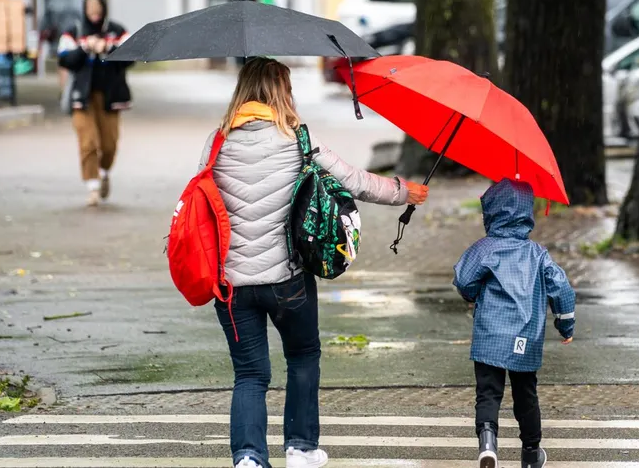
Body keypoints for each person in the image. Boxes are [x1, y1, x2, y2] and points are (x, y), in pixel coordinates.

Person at [200, 57, 429, 468]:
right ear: (280, 93)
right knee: (303, 355)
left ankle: (249, 458)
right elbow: (355, 181)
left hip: (231, 284)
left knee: (250, 375)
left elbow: (202, 202)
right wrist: (403, 192)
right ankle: (301, 448)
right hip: (287, 280)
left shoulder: (216, 143)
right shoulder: (299, 140)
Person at [453, 179, 576, 468]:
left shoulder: (485, 248)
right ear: (527, 212)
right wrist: (565, 325)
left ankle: (487, 443)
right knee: (526, 393)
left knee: (487, 391)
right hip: (526, 334)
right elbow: (562, 288)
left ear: (491, 211)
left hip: (490, 333)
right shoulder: (537, 254)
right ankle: (531, 452)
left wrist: (473, 295)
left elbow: (463, 279)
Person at [57, 0, 131, 207]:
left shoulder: (117, 31)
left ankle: (104, 172)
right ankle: (93, 187)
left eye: (97, 6)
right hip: (82, 97)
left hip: (110, 96)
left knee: (109, 144)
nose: (94, 11)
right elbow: (64, 59)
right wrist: (85, 48)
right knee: (87, 141)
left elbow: (131, 58)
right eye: (90, 7)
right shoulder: (75, 32)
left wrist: (107, 49)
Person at [41, 0, 85, 93]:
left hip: (78, 37)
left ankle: (78, 88)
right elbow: (47, 18)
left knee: (79, 61)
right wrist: (43, 32)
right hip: (61, 37)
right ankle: (64, 90)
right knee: (63, 62)